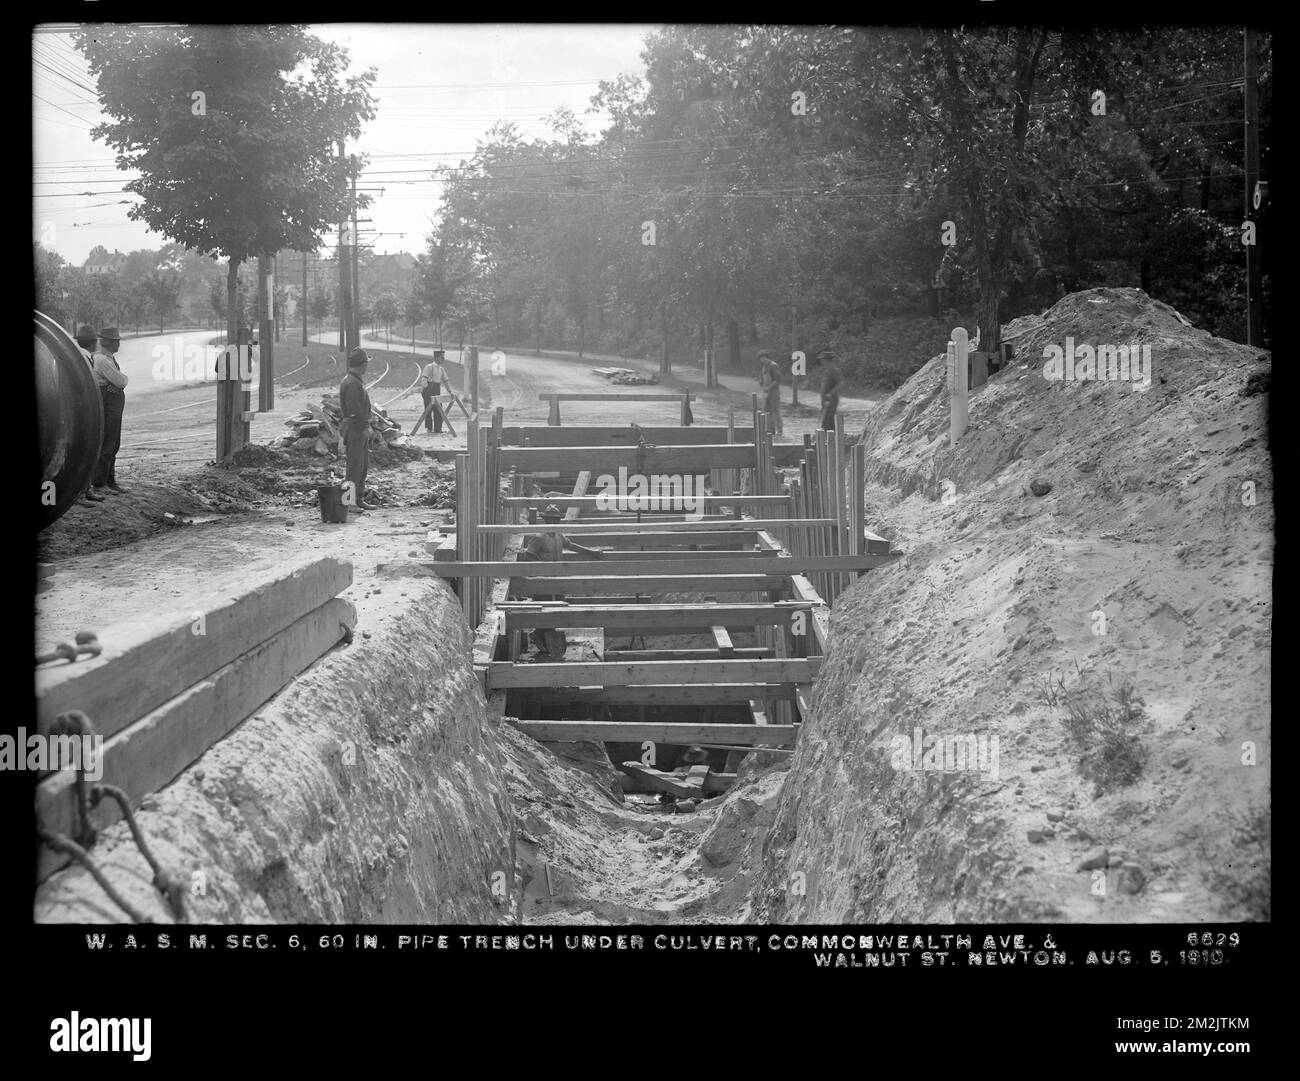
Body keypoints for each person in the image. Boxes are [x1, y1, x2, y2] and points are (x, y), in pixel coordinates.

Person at [515, 506, 604, 656]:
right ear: (546, 520)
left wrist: (591, 552)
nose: (553, 522)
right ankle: (538, 634)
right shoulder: (539, 537)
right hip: (543, 581)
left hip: (557, 580)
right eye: (551, 519)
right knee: (544, 608)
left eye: (556, 519)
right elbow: (529, 555)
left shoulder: (558, 536)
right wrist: (541, 571)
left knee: (558, 608)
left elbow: (572, 546)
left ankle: (543, 635)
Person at [339, 347, 378, 513]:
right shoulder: (352, 384)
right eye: (366, 364)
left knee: (362, 465)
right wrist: (365, 428)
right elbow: (355, 411)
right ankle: (349, 502)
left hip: (358, 428)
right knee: (354, 466)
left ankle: (358, 499)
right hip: (355, 428)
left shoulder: (354, 380)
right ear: (362, 365)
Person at [90, 327, 129, 495]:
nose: (118, 343)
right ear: (108, 342)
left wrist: (116, 383)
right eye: (116, 341)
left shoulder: (108, 359)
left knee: (113, 444)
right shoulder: (102, 360)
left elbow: (117, 382)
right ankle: (100, 483)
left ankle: (110, 480)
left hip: (114, 406)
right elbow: (122, 381)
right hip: (108, 405)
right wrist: (117, 383)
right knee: (107, 443)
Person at [72, 326, 105, 504]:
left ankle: (86, 490)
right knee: (84, 450)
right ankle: (80, 493)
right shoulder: (83, 358)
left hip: (79, 409)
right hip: (83, 410)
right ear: (93, 343)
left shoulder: (77, 354)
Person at [419, 349, 450, 434]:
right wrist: (425, 389)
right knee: (428, 410)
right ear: (436, 358)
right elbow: (424, 379)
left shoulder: (441, 369)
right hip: (429, 390)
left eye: (443, 357)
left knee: (439, 410)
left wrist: (449, 390)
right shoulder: (429, 367)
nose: (443, 359)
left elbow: (446, 380)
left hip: (437, 390)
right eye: (442, 358)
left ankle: (438, 429)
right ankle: (429, 429)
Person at [757, 350, 783, 435]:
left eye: (762, 358)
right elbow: (763, 377)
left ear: (766, 357)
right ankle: (771, 429)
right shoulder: (764, 366)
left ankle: (779, 430)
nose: (761, 360)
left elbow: (777, 380)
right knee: (767, 411)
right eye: (760, 359)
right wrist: (761, 382)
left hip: (774, 392)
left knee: (776, 411)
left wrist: (769, 387)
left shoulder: (773, 366)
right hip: (766, 393)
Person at [819, 363, 841, 432]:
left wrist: (830, 394)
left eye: (824, 360)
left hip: (831, 399)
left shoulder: (834, 371)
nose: (823, 362)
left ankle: (827, 437)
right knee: (827, 420)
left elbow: (839, 384)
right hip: (825, 400)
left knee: (828, 419)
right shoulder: (826, 372)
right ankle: (828, 437)